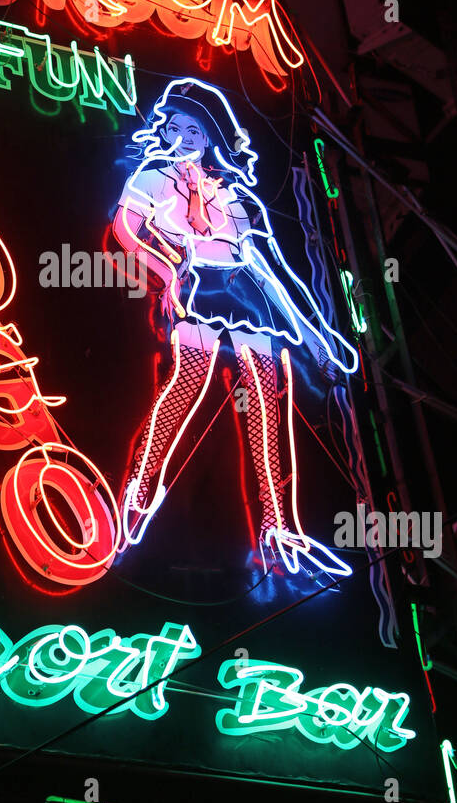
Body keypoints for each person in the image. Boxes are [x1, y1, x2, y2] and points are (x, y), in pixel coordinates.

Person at [112, 78, 358, 579]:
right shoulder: (152, 177)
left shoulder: (234, 195)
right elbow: (124, 228)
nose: (183, 137)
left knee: (267, 401)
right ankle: (138, 488)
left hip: (245, 291)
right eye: (175, 127)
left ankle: (278, 526)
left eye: (194, 131)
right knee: (187, 383)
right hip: (199, 283)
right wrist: (169, 268)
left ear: (210, 139)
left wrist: (316, 338)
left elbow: (268, 267)